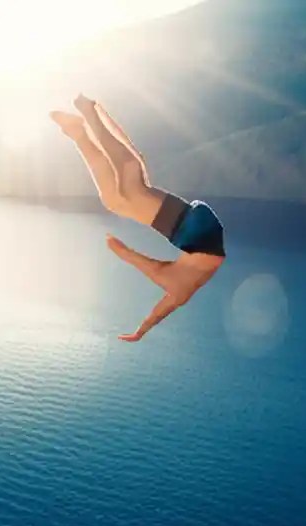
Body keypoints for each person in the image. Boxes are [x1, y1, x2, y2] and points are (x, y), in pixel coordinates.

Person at [50, 95, 225, 342]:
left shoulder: (177, 293)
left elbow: (158, 314)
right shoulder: (174, 287)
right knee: (132, 185)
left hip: (195, 232)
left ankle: (78, 133)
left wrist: (140, 332)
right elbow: (143, 265)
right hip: (198, 232)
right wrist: (119, 249)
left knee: (114, 200)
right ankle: (89, 113)